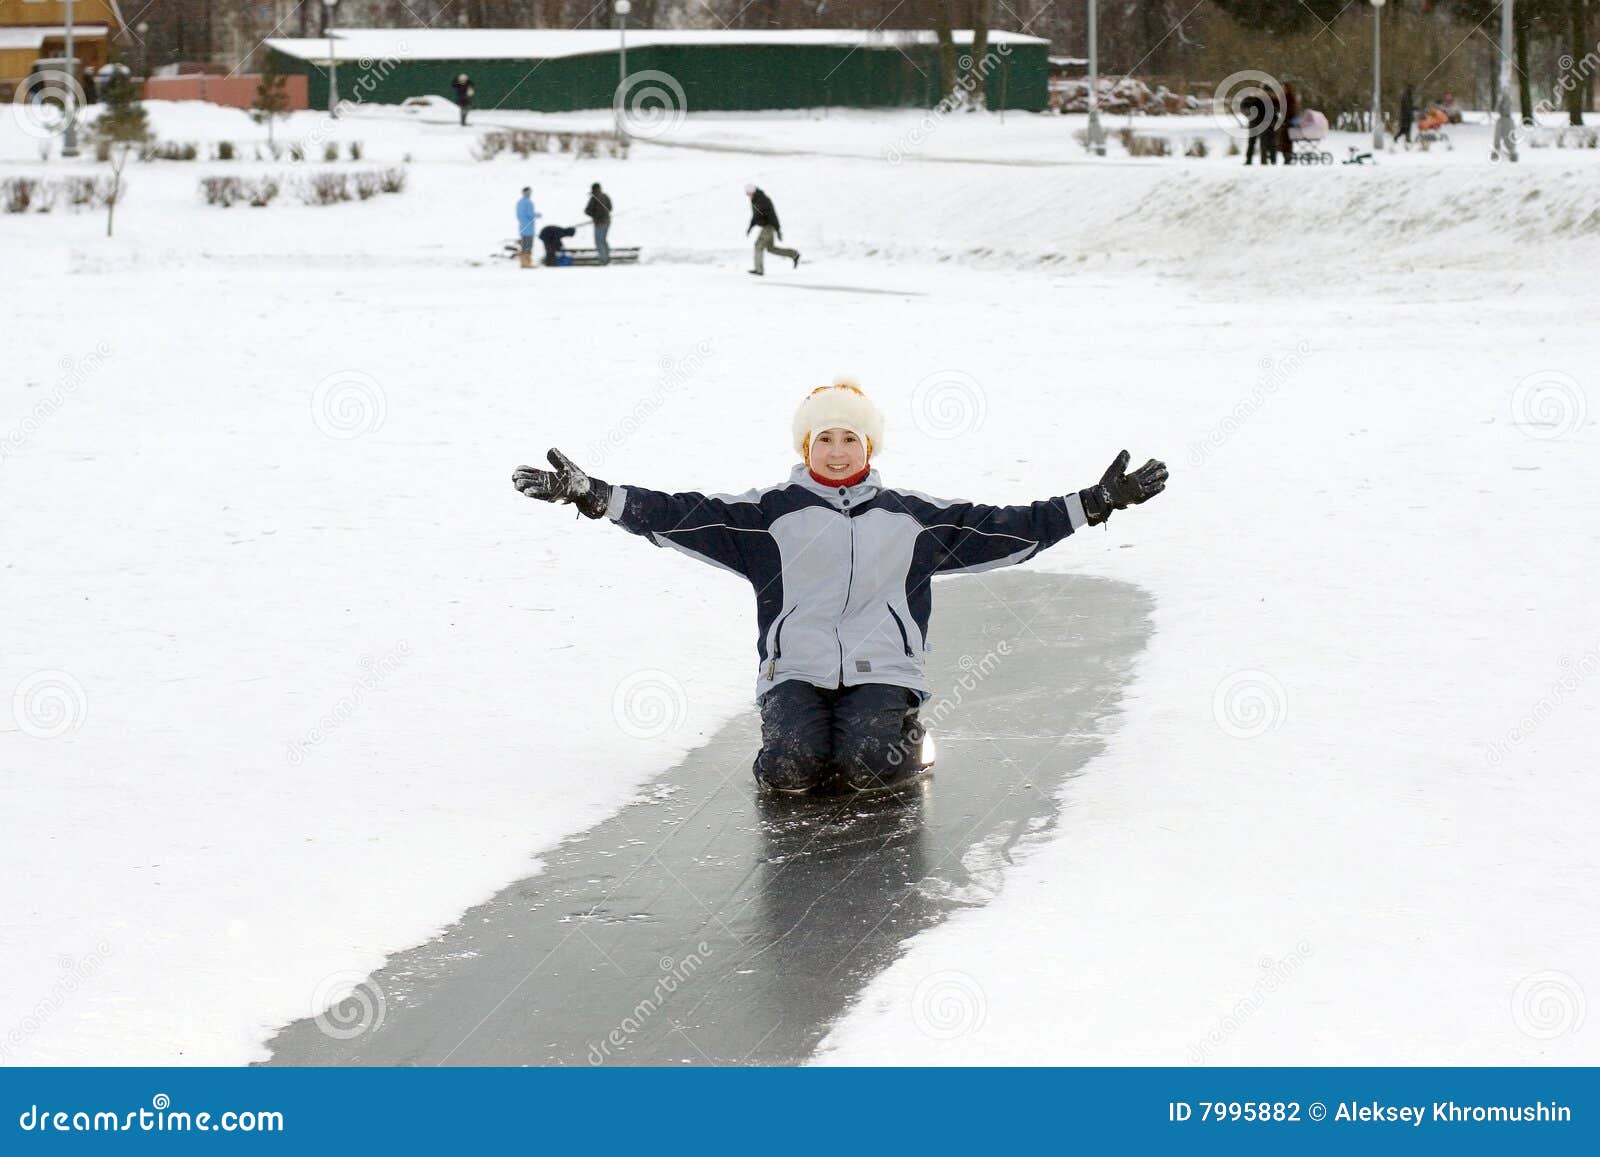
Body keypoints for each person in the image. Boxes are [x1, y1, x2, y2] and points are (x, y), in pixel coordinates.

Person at [511, 380, 1168, 797]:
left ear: (868, 444)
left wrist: (1095, 501)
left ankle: (906, 736)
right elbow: (679, 513)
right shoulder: (768, 513)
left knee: (870, 767)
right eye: (823, 436)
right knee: (794, 772)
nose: (834, 448)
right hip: (795, 666)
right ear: (806, 442)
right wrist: (596, 495)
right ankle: (794, 731)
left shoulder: (909, 516)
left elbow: (1006, 530)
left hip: (883, 667)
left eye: (848, 436)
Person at [745, 183, 800, 276]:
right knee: (771, 249)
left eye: (748, 193)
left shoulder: (763, 200)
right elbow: (755, 216)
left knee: (758, 245)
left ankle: (759, 270)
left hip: (768, 227)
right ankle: (794, 254)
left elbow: (772, 215)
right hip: (767, 227)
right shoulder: (756, 200)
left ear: (752, 192)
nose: (747, 195)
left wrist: (778, 230)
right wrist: (750, 227)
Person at [584, 182, 613, 265]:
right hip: (607, 222)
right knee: (603, 240)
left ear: (593, 189)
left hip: (599, 223)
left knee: (599, 241)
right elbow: (610, 208)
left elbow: (587, 211)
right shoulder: (605, 196)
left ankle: (603, 260)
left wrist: (594, 216)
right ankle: (607, 258)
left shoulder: (594, 198)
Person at [516, 187, 539, 270]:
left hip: (522, 227)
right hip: (529, 228)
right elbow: (530, 214)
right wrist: (537, 215)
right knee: (528, 245)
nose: (530, 193)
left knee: (524, 245)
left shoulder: (519, 202)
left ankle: (523, 262)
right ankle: (527, 263)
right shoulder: (528, 202)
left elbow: (518, 215)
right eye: (529, 192)